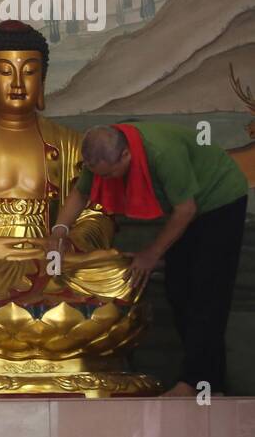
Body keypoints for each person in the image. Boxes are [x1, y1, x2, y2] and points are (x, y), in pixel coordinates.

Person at [48, 122, 249, 396]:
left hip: (219, 200)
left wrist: (151, 255)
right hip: (188, 209)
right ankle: (210, 383)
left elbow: (185, 210)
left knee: (207, 291)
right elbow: (81, 192)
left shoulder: (162, 153)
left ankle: (194, 382)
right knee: (178, 288)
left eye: (110, 175)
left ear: (126, 156)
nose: (105, 182)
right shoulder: (102, 157)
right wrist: (59, 232)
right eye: (99, 175)